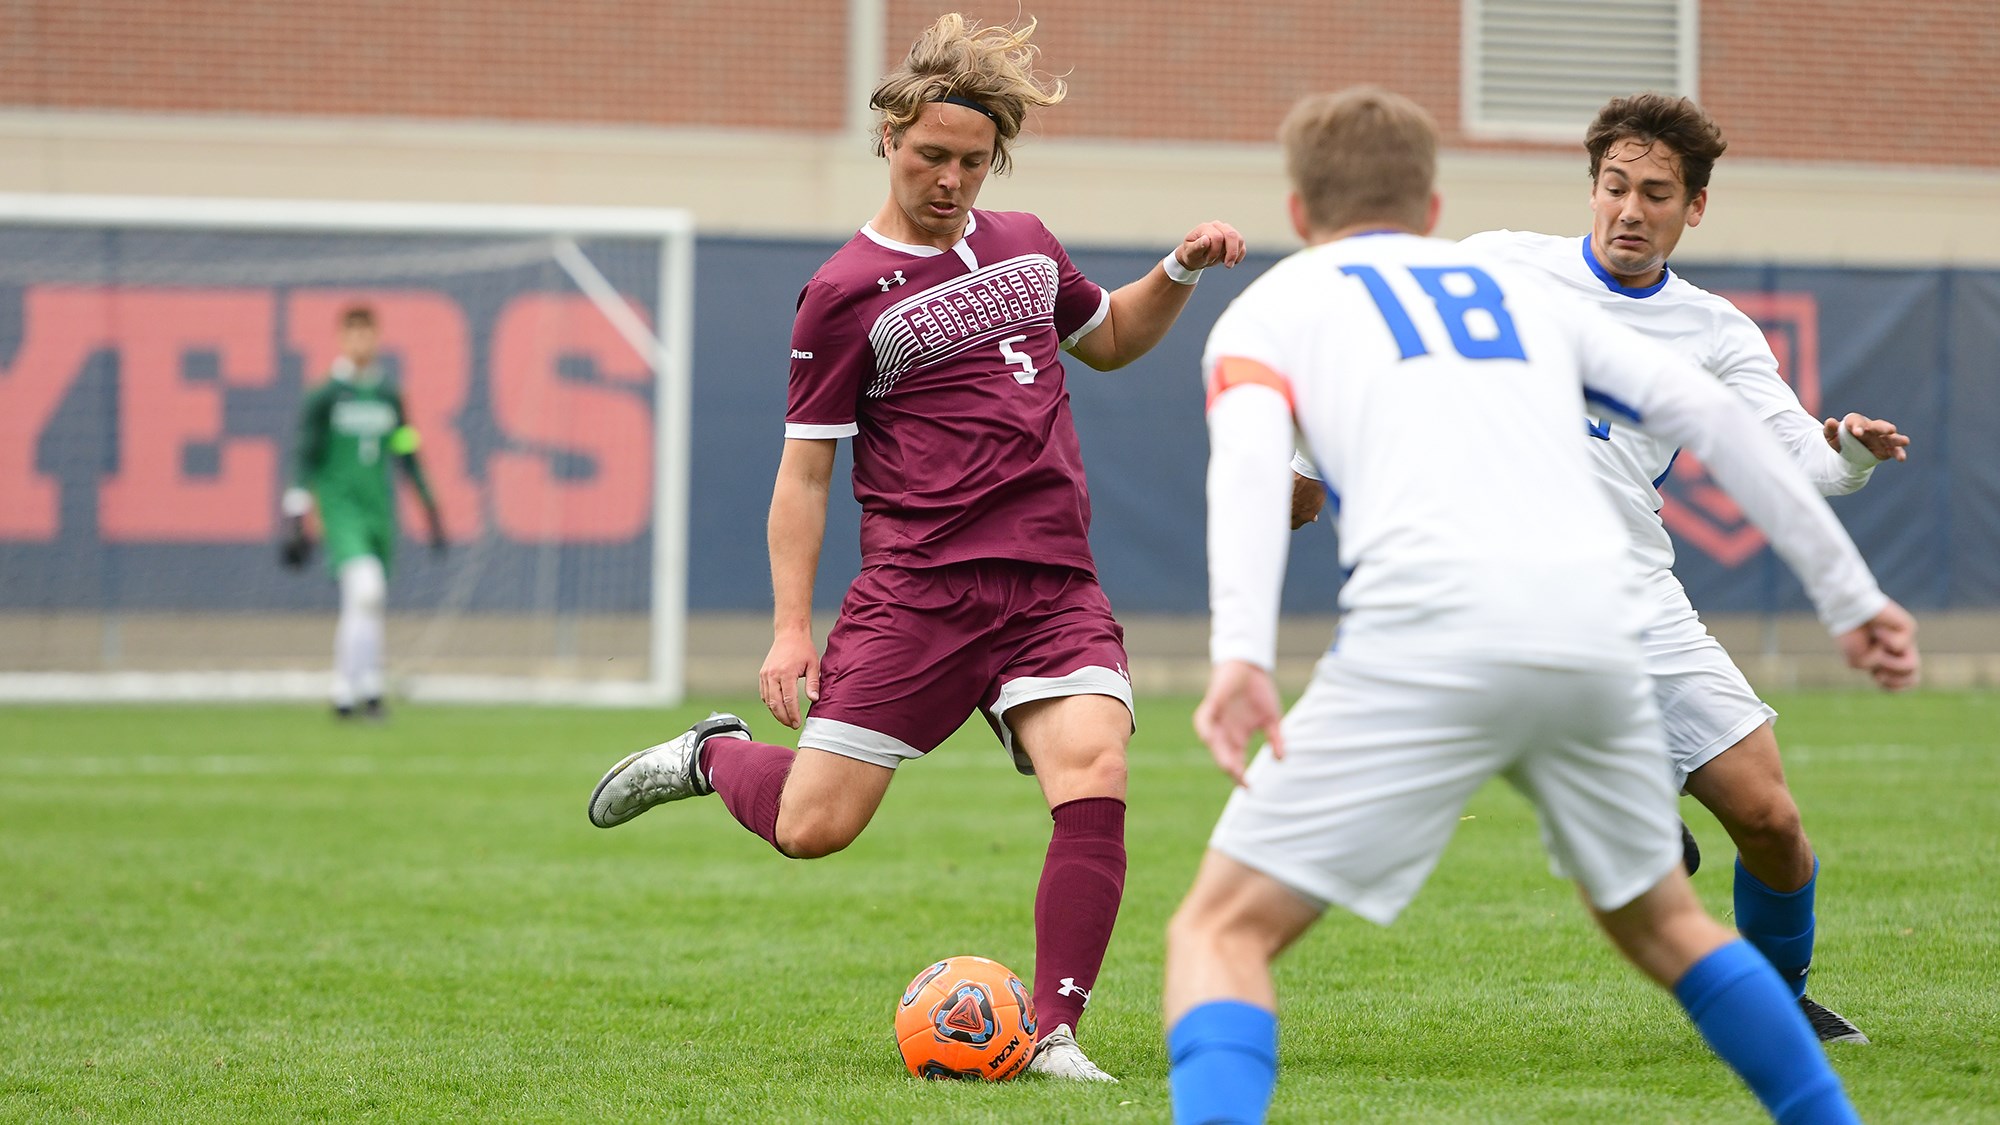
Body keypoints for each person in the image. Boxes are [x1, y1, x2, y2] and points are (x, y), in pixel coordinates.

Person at [1164, 86, 1917, 1124]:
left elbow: (1245, 475)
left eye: (1653, 192)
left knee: (1219, 934)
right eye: (1613, 185)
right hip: (1583, 623)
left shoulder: (1270, 310)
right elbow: (1699, 412)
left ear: (1297, 215)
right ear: (1431, 209)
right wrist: (1851, 597)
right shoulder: (1508, 281)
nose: (1627, 207)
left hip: (1439, 622)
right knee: (1664, 928)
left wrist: (1239, 654)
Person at [585, 13, 1244, 1082]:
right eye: (930, 155)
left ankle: (1053, 1032)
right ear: (886, 141)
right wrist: (791, 630)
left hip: (1047, 581)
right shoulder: (841, 295)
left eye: (971, 162)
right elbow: (804, 476)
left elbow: (1110, 341)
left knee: (1097, 768)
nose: (950, 179)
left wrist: (1175, 267)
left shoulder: (1026, 243)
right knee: (814, 827)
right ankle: (711, 756)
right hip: (917, 596)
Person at [281, 304, 446, 719]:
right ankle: (345, 689)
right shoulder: (324, 396)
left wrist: (429, 504)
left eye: (367, 333)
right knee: (366, 591)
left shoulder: (388, 394)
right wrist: (297, 512)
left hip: (378, 512)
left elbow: (405, 449)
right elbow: (306, 455)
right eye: (353, 333)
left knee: (369, 600)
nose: (361, 341)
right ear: (342, 338)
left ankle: (367, 689)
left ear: (376, 337)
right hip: (341, 510)